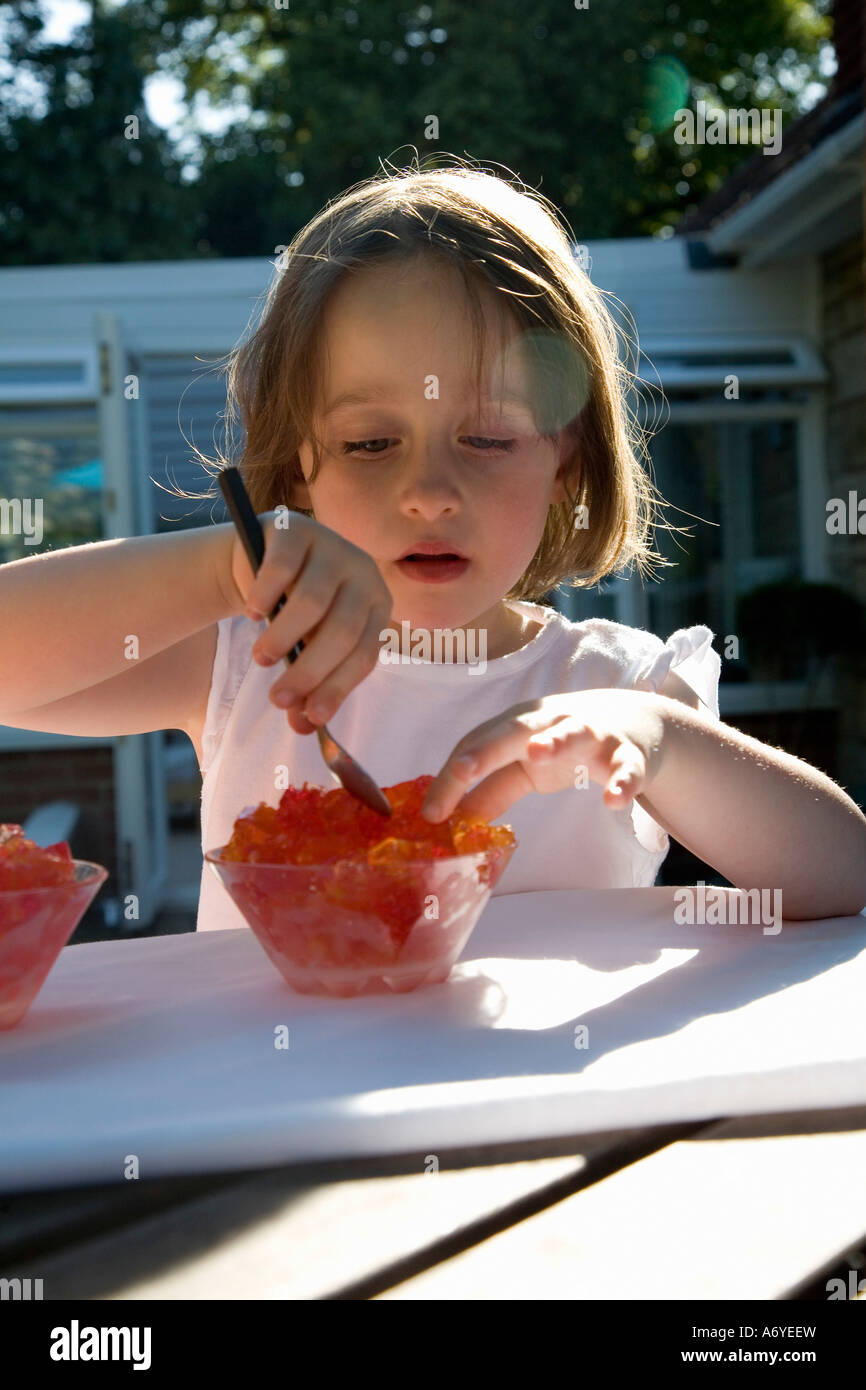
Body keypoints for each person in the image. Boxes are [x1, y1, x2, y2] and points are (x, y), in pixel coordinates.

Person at [2, 159, 864, 930]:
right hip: (285, 1108)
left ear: (566, 459)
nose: (428, 493)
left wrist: (658, 736)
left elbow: (842, 874)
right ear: (297, 472)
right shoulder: (247, 659)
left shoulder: (613, 687)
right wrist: (216, 570)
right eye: (370, 444)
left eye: (488, 439)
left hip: (555, 1112)